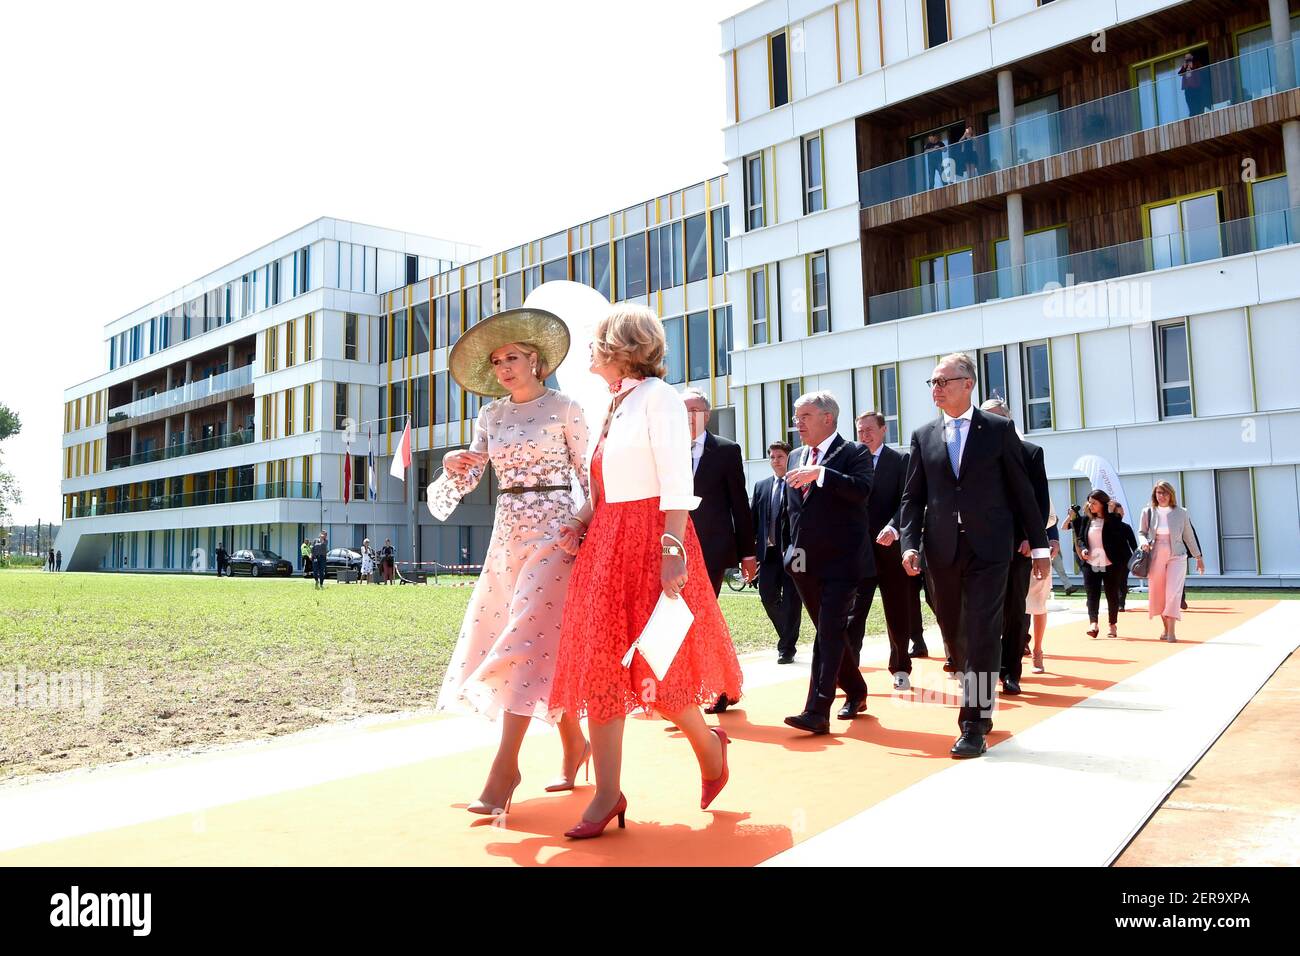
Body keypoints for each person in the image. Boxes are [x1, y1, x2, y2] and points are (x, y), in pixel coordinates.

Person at [551, 304, 740, 839]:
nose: (588, 349)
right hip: (606, 542)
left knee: (663, 665)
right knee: (602, 668)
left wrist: (673, 550)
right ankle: (608, 794)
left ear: (621, 346)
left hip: (652, 540)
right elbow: (606, 483)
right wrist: (581, 519)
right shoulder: (614, 403)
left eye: (595, 340)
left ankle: (709, 747)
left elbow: (677, 479)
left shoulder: (659, 398)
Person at [430, 304, 591, 816]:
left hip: (557, 534)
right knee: (541, 644)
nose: (504, 367)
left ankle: (505, 769)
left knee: (525, 639)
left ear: (537, 360)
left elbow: (593, 475)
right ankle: (574, 746)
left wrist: (583, 525)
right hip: (508, 535)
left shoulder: (566, 408)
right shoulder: (491, 415)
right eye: (497, 361)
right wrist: (454, 463)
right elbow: (472, 470)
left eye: (513, 357)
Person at [900, 353, 1049, 758]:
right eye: (932, 382)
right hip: (941, 550)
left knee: (984, 631)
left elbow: (1023, 493)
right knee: (955, 635)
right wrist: (909, 543)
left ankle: (973, 722)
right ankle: (977, 694)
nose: (936, 388)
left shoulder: (999, 431)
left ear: (968, 383)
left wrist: (1039, 546)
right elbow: (913, 497)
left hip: (991, 549)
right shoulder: (923, 435)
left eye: (943, 381)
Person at [780, 391, 874, 734]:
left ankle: (817, 711)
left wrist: (822, 474)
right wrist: (787, 553)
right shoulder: (793, 457)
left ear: (827, 418)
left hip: (843, 561)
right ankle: (857, 689)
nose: (797, 423)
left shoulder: (854, 452)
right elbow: (790, 510)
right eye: (796, 416)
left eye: (804, 416)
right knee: (828, 630)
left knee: (830, 629)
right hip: (803, 562)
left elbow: (862, 490)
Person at [683, 386, 755, 714]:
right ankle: (686, 697)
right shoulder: (667, 449)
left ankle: (720, 689)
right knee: (680, 624)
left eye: (695, 410)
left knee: (704, 620)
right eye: (683, 411)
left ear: (707, 415)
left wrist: (748, 553)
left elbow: (740, 505)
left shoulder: (726, 451)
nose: (689, 418)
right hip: (675, 551)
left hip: (711, 551)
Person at [979, 398, 1057, 695]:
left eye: (998, 418)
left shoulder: (1030, 453)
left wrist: (1032, 538)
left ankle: (1011, 670)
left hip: (1017, 547)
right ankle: (983, 668)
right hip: (978, 545)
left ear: (1009, 422)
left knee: (1014, 611)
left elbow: (1039, 501)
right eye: (987, 418)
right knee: (981, 611)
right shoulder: (971, 454)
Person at [846, 411, 914, 690]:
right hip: (859, 553)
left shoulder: (900, 461)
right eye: (860, 431)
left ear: (884, 430)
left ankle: (900, 668)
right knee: (853, 615)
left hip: (891, 551)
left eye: (869, 430)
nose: (864, 436)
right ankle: (849, 674)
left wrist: (894, 527)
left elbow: (909, 501)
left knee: (898, 614)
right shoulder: (851, 461)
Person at [750, 441, 802, 664]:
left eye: (779, 456)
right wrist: (749, 552)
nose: (775, 461)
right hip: (768, 553)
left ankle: (787, 648)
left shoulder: (798, 483)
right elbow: (754, 520)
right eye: (771, 457)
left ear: (789, 458)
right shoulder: (761, 486)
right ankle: (787, 635)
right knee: (767, 595)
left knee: (792, 599)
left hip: (793, 552)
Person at [1138, 481, 1203, 642]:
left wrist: (1198, 557)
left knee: (1173, 593)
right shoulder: (1148, 512)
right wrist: (1143, 542)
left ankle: (1172, 632)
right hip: (1155, 554)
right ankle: (1166, 628)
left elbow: (1189, 536)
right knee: (1158, 593)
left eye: (1165, 493)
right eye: (1159, 493)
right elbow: (1141, 532)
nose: (1162, 496)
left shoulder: (1182, 512)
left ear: (1171, 494)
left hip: (1178, 555)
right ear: (1155, 494)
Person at [1077, 490, 1134, 639]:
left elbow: (1117, 534)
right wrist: (1083, 549)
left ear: (1103, 504)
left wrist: (1111, 513)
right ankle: (1093, 624)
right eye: (1089, 502)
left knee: (1112, 595)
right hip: (1091, 563)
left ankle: (1112, 625)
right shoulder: (1086, 520)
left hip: (1111, 563)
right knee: (1092, 594)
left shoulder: (1114, 520)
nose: (1091, 505)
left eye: (1094, 503)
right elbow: (1080, 539)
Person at [1108, 500, 1138, 611]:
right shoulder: (1106, 526)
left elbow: (1133, 544)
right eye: (1120, 513)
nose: (1123, 515)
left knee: (1122, 581)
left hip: (1125, 558)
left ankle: (1121, 603)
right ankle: (1114, 603)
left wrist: (1138, 559)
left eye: (1123, 513)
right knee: (1112, 582)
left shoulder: (1126, 527)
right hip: (1110, 558)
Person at [1179, 50, 1209, 118]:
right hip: (1188, 89)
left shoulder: (1196, 63)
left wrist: (1192, 66)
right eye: (1186, 58)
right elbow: (1180, 73)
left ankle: (1199, 115)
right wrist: (1184, 65)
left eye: (1188, 57)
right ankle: (1192, 116)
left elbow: (1203, 69)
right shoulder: (1185, 66)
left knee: (1198, 104)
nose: (1187, 59)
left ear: (1192, 57)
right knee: (1190, 104)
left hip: (1197, 88)